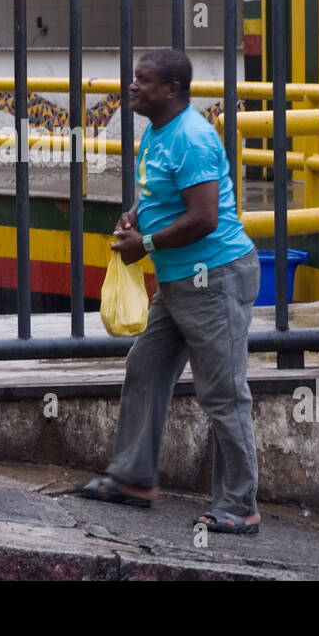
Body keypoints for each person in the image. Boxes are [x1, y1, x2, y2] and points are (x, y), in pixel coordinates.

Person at [78, 49, 262, 534]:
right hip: (180, 282)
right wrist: (136, 217)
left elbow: (204, 217)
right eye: (135, 79)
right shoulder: (157, 133)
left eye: (145, 81)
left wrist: (148, 243)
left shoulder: (194, 138)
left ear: (173, 91)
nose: (133, 87)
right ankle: (135, 479)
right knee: (145, 366)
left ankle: (241, 507)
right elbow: (158, 191)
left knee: (223, 394)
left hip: (215, 277)